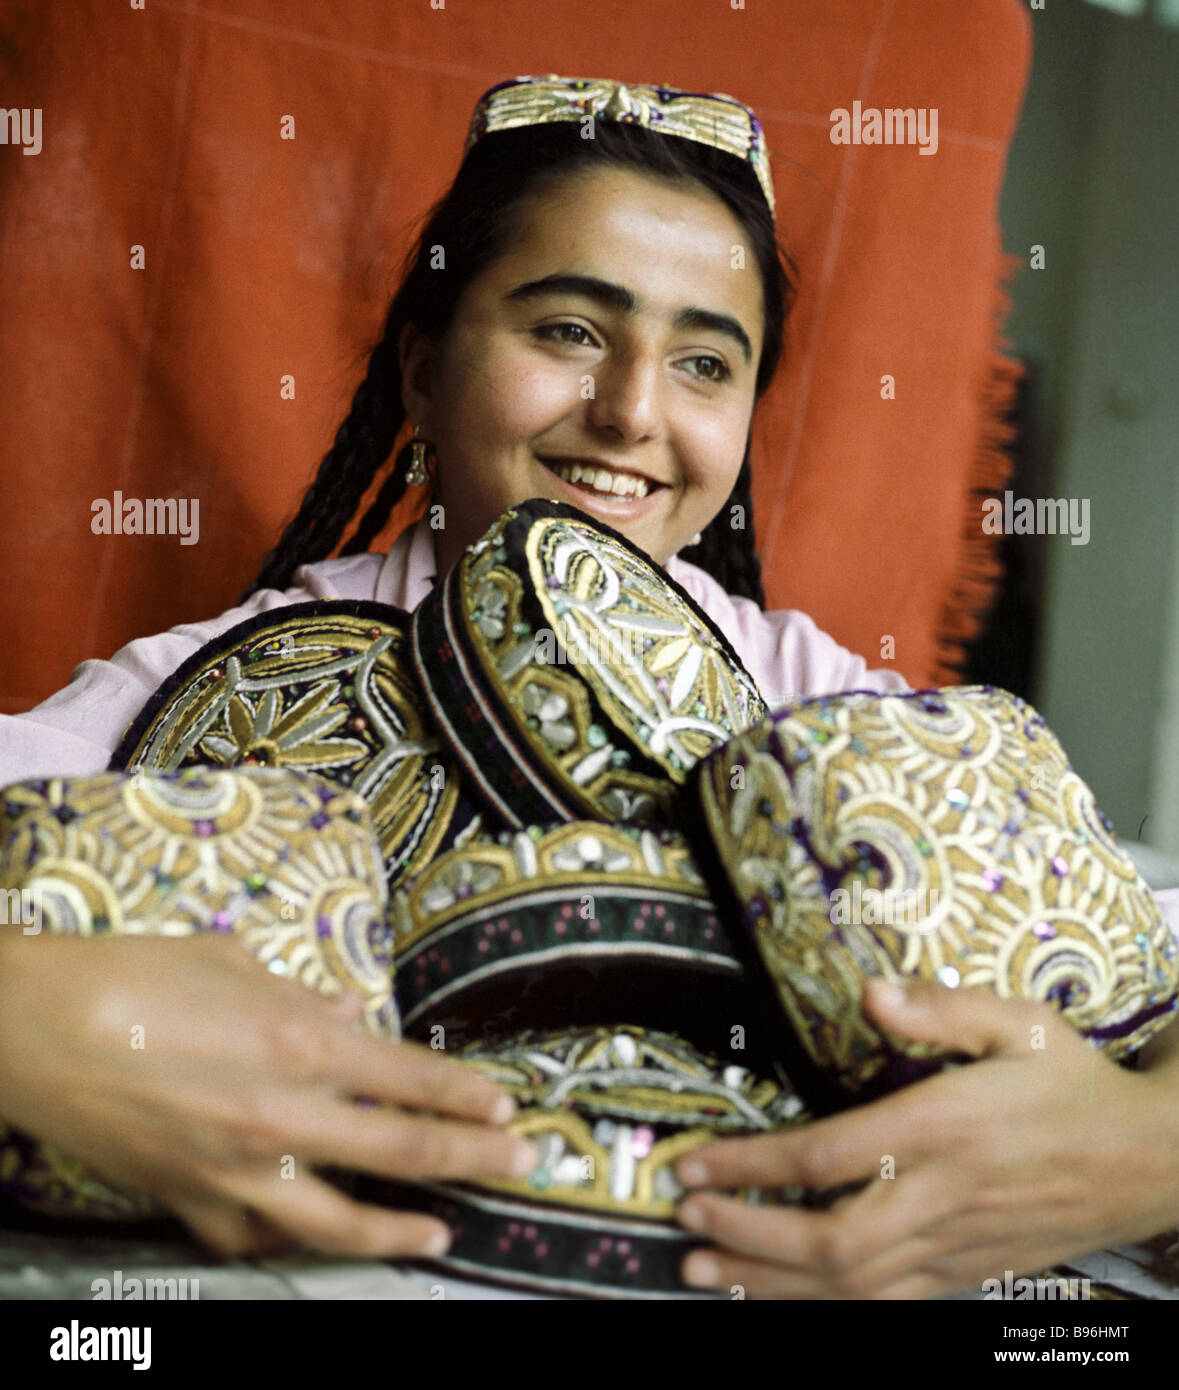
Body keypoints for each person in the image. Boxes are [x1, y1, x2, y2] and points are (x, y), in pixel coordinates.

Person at [2, 72, 1176, 1300]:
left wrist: (1150, 1141)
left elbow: (1138, 946)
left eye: (706, 364)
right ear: (421, 371)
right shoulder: (223, 695)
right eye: (568, 330)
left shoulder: (820, 709)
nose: (630, 412)